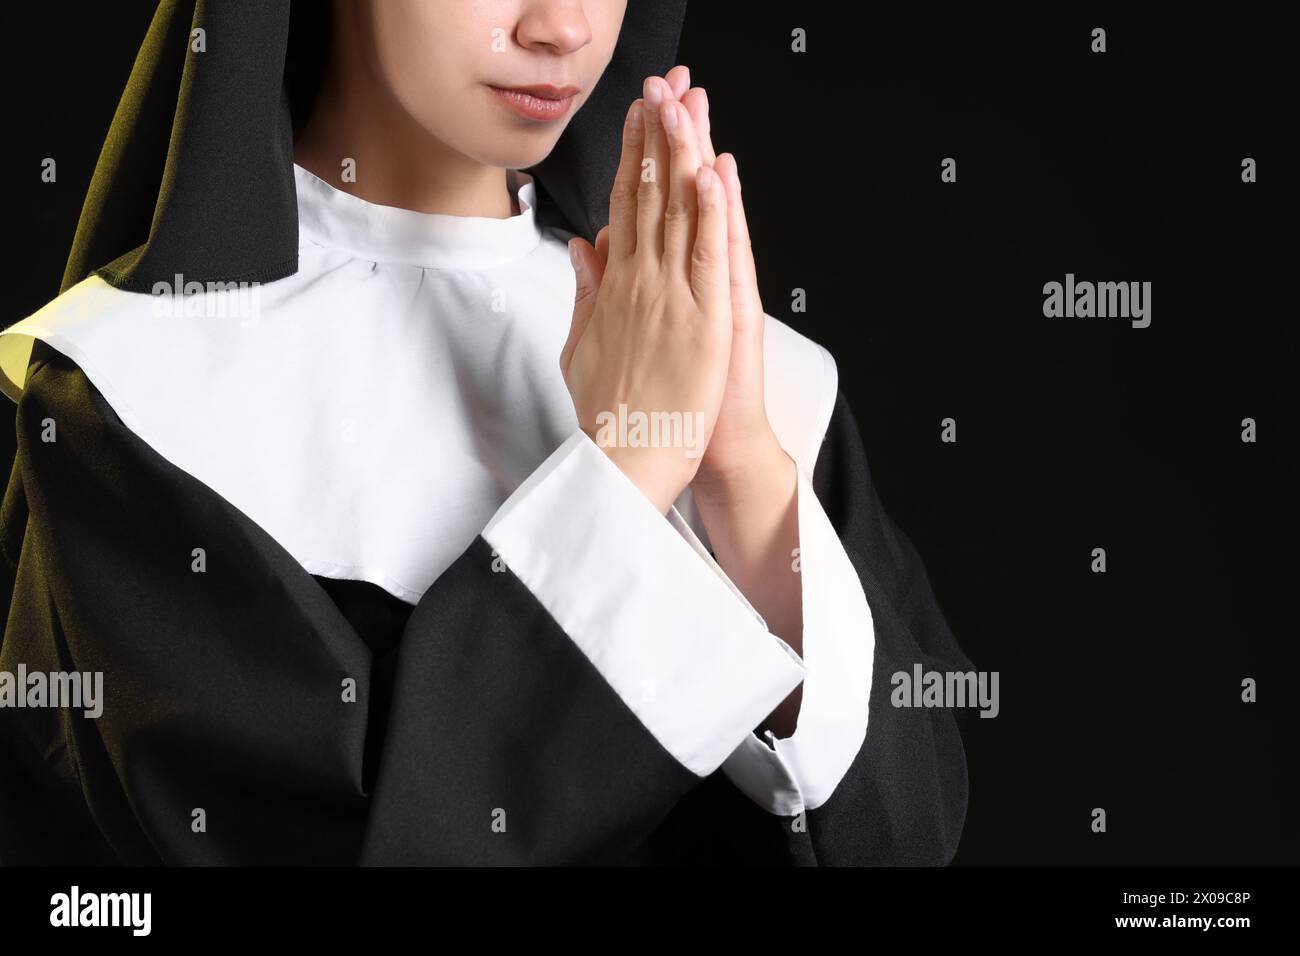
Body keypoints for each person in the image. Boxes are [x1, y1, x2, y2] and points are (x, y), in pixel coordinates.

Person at [0, 0, 972, 865]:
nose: (564, 27)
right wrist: (624, 475)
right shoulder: (134, 393)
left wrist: (742, 474)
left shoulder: (746, 371)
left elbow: (907, 834)